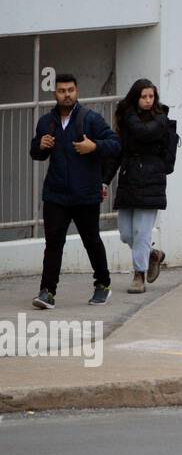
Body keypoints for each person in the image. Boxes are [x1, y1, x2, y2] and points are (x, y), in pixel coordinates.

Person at [29, 74, 121, 308]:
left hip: (85, 194)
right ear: (55, 94)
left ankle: (103, 285)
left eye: (70, 90)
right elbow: (36, 153)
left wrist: (94, 146)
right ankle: (47, 292)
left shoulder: (90, 119)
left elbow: (115, 144)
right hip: (56, 194)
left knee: (91, 240)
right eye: (61, 90)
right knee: (53, 243)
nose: (66, 94)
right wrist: (40, 146)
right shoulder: (46, 122)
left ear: (77, 91)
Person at [106, 79, 176, 293]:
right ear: (136, 98)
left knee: (141, 231)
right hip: (129, 179)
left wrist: (127, 115)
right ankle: (153, 255)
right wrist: (104, 180)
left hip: (151, 179)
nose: (148, 101)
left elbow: (143, 133)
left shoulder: (160, 119)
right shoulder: (127, 122)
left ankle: (139, 275)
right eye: (144, 96)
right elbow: (118, 151)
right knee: (126, 233)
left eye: (151, 96)